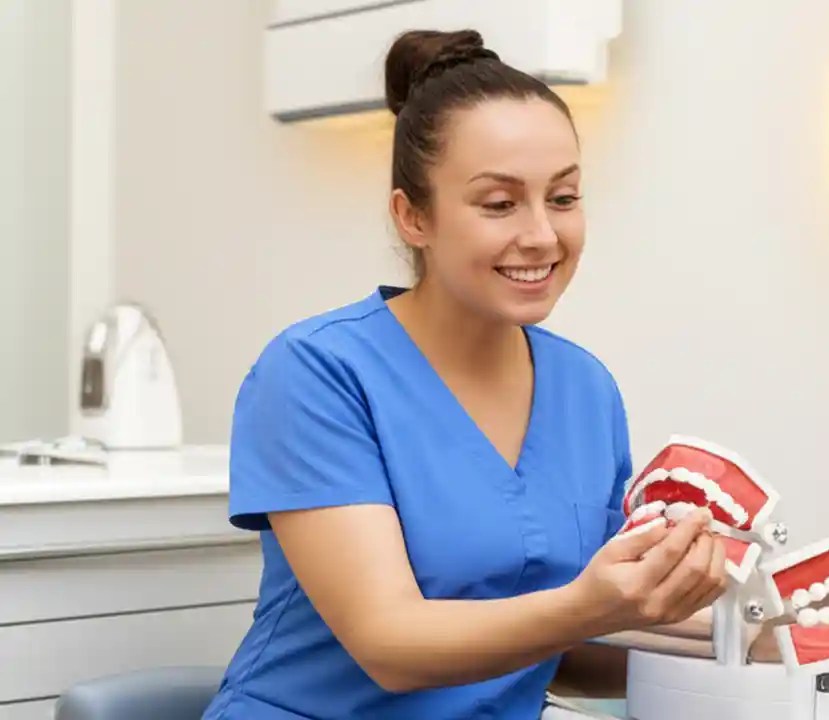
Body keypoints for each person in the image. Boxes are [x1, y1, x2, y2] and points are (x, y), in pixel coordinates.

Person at [201, 29, 727, 720]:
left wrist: (751, 635)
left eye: (563, 198)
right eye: (500, 204)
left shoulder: (585, 391)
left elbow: (554, 644)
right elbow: (389, 645)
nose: (542, 234)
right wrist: (591, 604)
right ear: (412, 215)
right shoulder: (316, 374)